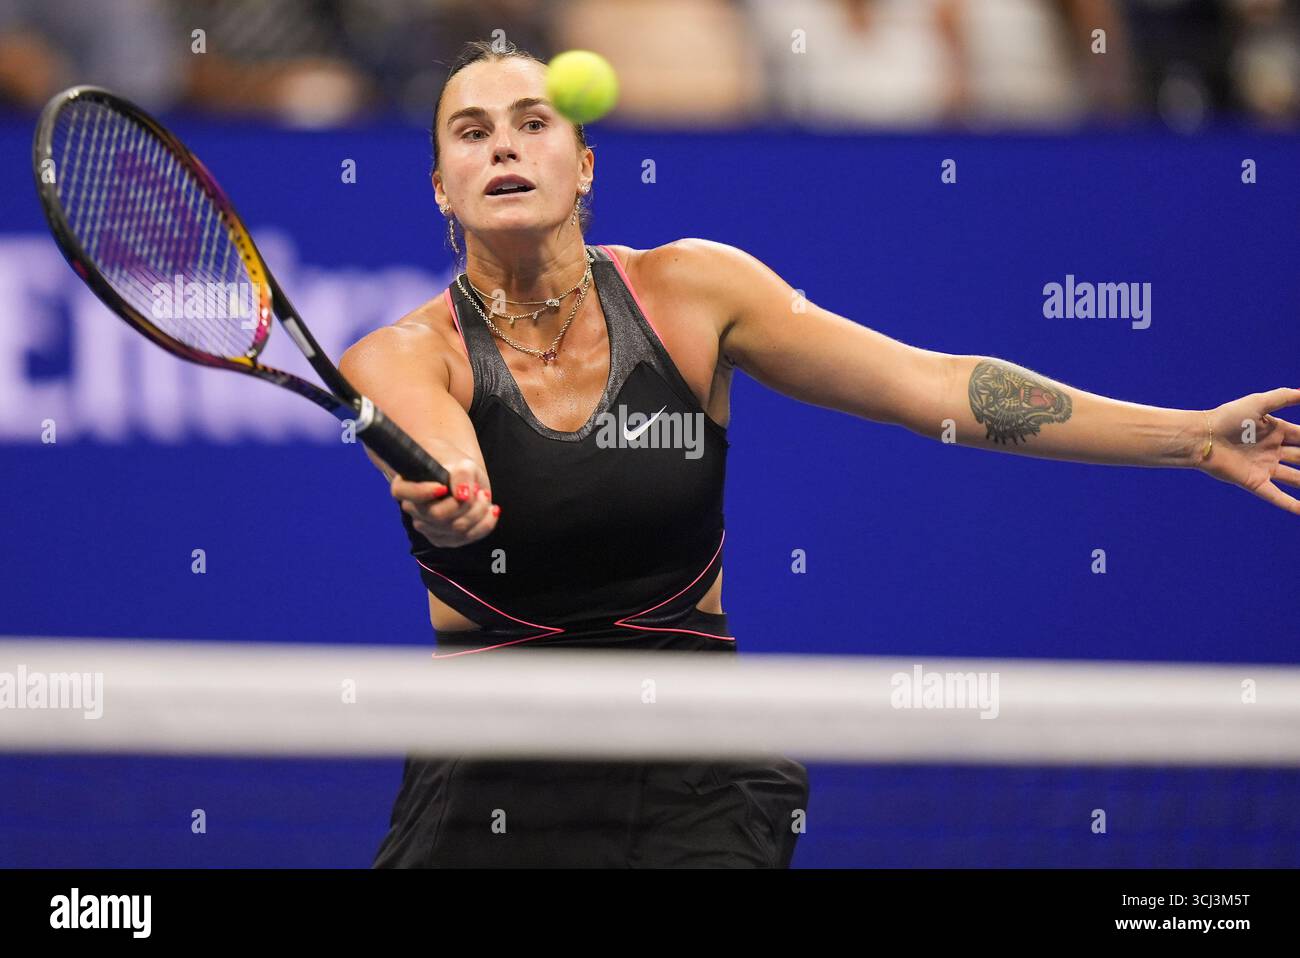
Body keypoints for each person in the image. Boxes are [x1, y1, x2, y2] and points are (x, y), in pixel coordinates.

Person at [342, 39, 1300, 868]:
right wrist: (451, 487)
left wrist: (1191, 436)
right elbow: (434, 439)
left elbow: (934, 387)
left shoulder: (694, 294)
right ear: (442, 187)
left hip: (693, 759)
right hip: (490, 766)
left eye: (531, 122)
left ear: (584, 165)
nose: (503, 143)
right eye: (471, 132)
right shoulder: (398, 354)